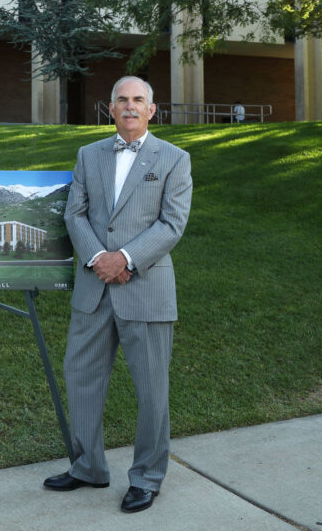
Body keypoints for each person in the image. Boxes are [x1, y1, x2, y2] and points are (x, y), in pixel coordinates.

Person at [44, 75, 193, 515]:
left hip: (145, 288)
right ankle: (88, 466)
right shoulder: (88, 155)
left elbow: (171, 224)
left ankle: (147, 478)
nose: (130, 106)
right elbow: (75, 213)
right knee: (82, 379)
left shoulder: (174, 159)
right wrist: (98, 260)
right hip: (94, 288)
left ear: (152, 110)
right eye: (122, 100)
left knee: (151, 390)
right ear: (110, 109)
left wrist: (125, 259)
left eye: (139, 100)